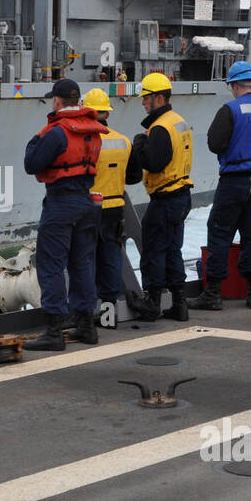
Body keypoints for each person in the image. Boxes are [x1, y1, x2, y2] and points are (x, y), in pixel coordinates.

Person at [189, 60, 251, 310]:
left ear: (233, 85)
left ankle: (214, 293)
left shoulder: (230, 110)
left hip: (236, 179)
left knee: (220, 231)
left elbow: (215, 144)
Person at [23, 78, 108, 349]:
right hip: (87, 203)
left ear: (58, 101)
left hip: (61, 204)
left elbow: (31, 163)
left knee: (51, 266)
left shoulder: (57, 132)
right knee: (82, 264)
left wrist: (38, 135)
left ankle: (54, 332)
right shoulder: (93, 132)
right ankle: (86, 327)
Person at [129, 73, 194, 320]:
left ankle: (152, 303)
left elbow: (154, 163)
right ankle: (180, 303)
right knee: (172, 250)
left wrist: (138, 146)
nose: (143, 103)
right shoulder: (179, 121)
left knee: (154, 251)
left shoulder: (159, 128)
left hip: (165, 197)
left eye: (146, 98)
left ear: (158, 98)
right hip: (182, 196)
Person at [83, 88, 135, 323]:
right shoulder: (123, 141)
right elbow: (133, 176)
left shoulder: (86, 142)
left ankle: (89, 312)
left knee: (87, 259)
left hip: (91, 207)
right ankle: (109, 312)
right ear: (107, 114)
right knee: (111, 257)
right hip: (116, 207)